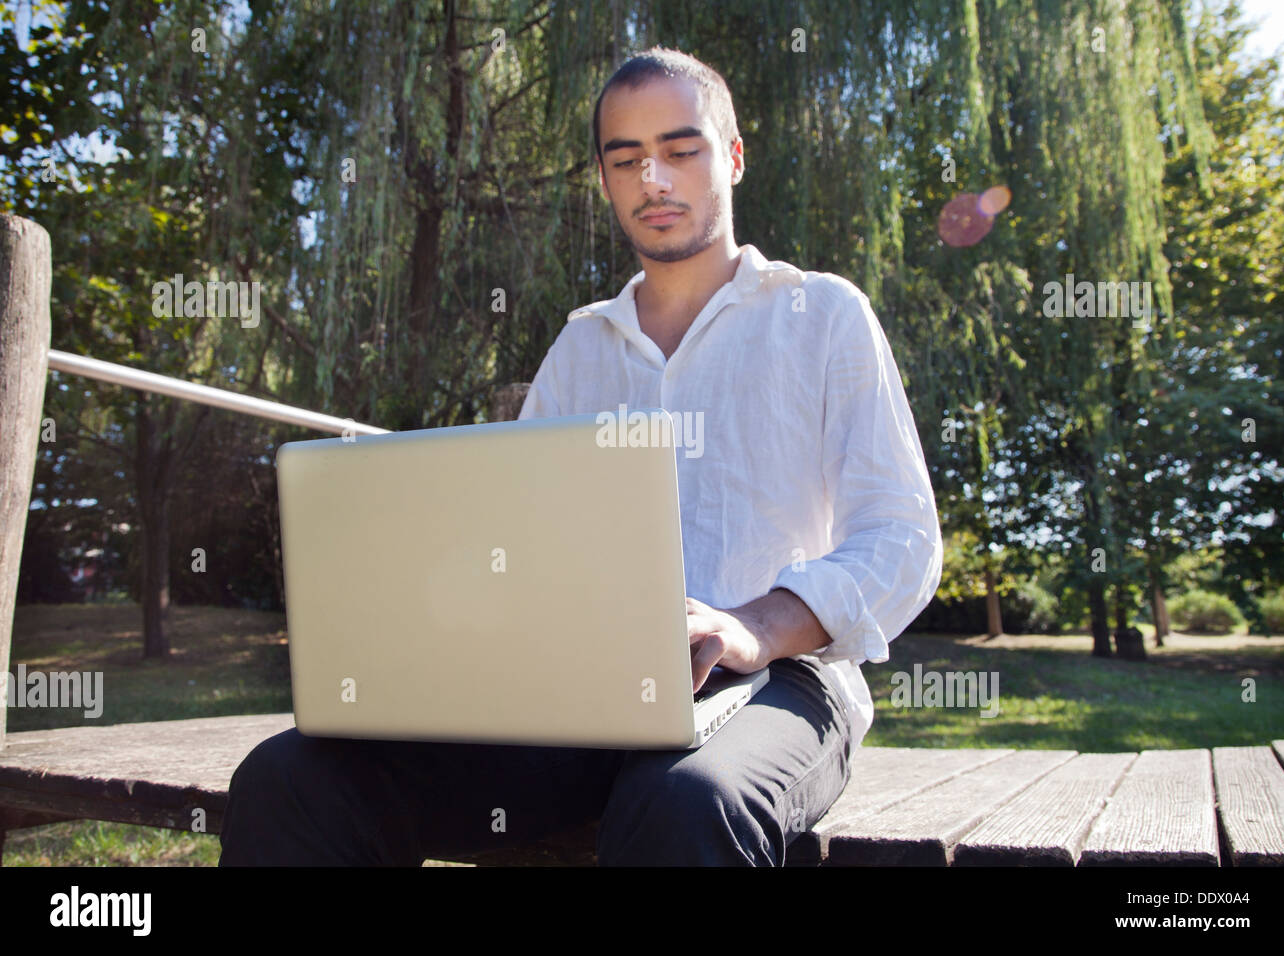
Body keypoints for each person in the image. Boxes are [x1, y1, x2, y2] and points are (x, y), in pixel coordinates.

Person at [219, 46, 942, 867]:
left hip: (782, 681)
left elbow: (903, 539)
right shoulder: (580, 347)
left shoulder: (823, 315)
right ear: (604, 178)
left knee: (684, 802)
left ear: (733, 157)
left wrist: (753, 626)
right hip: (580, 699)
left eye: (681, 150)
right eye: (626, 159)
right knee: (291, 777)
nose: (654, 181)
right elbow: (516, 550)